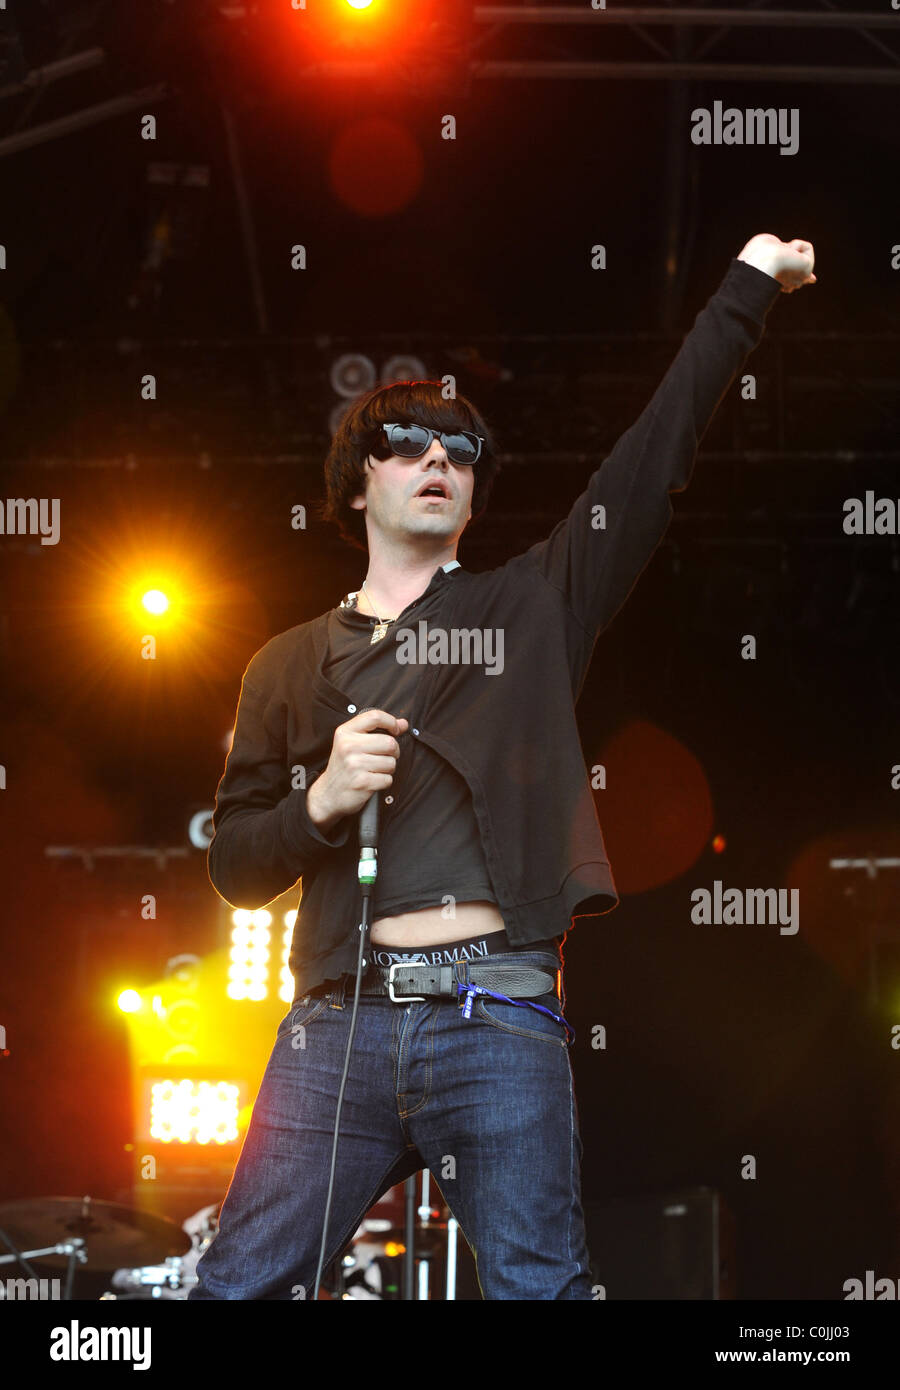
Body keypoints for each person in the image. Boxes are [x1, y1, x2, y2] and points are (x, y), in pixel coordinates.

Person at [188, 233, 816, 1300]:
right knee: (234, 1286)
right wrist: (323, 799)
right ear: (356, 483)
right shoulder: (286, 662)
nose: (439, 461)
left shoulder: (531, 605)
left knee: (540, 1288)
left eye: (460, 452)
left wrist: (746, 287)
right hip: (338, 1028)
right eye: (410, 444)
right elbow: (239, 866)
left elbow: (653, 459)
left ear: (473, 496)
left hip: (497, 1013)